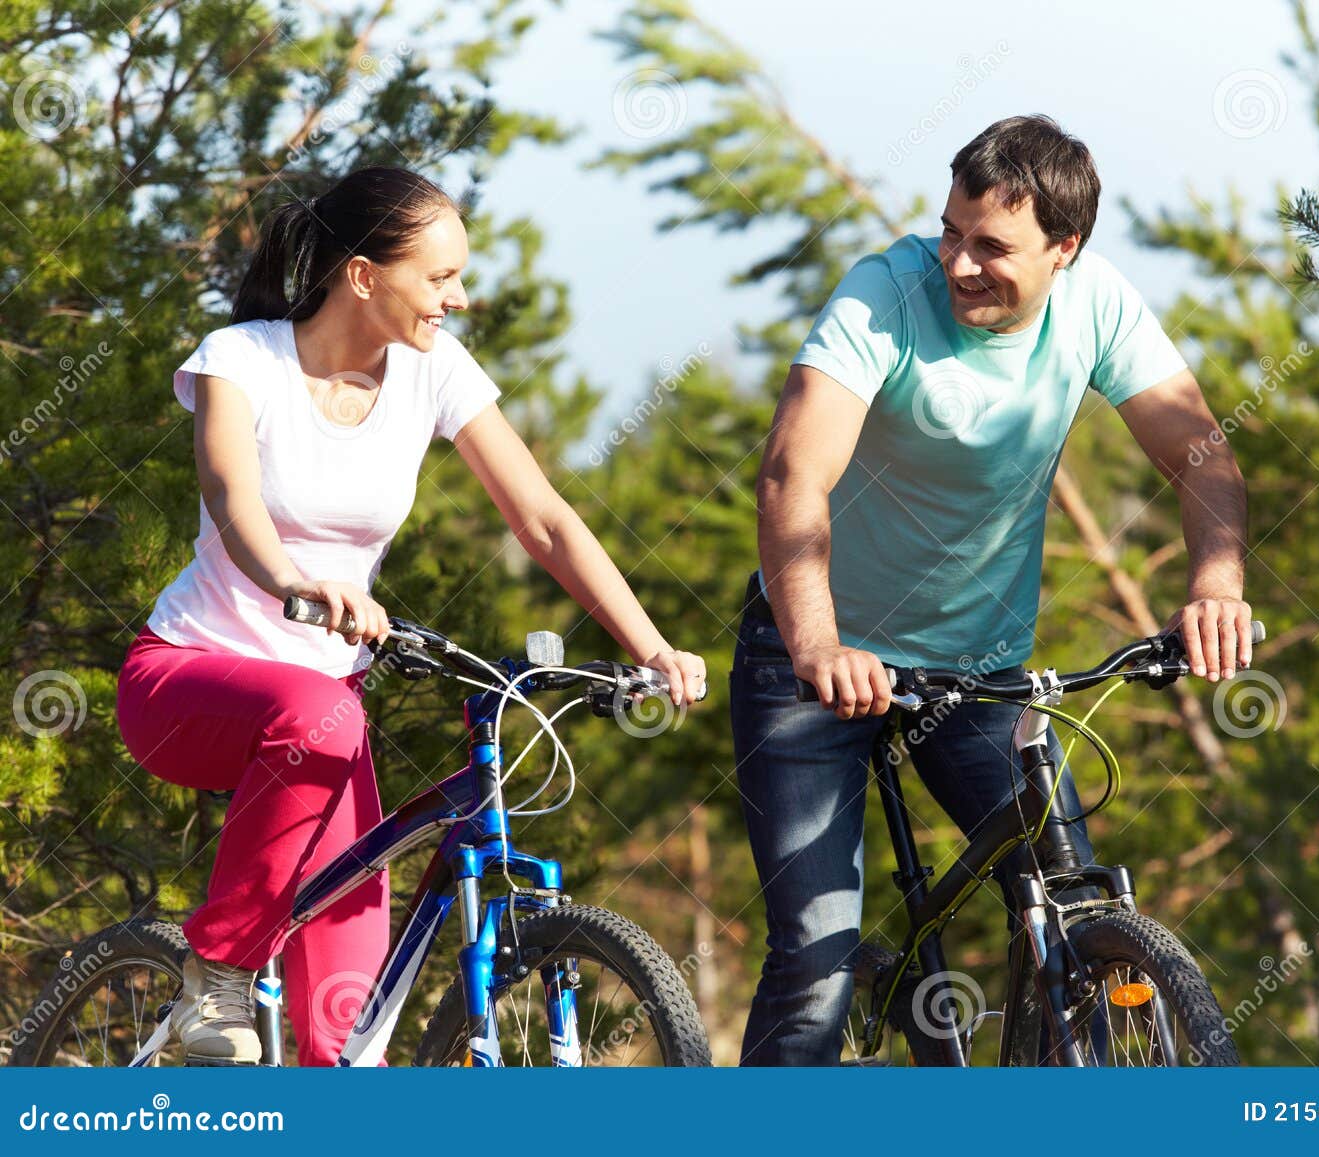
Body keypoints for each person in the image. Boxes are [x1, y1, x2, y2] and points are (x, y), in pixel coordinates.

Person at [115, 166, 707, 1066]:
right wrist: (296, 585)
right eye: (440, 278)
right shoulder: (242, 358)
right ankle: (220, 973)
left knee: (347, 1037)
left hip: (324, 727)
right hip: (185, 680)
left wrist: (651, 645)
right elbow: (233, 498)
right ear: (363, 276)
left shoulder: (435, 373)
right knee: (320, 712)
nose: (459, 299)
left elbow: (543, 517)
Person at [731, 115, 1252, 1064]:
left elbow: (1203, 457)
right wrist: (817, 643)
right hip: (812, 660)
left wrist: (1215, 585)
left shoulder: (1098, 305)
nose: (960, 263)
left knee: (1068, 897)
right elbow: (790, 476)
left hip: (977, 671)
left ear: (1066, 249)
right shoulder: (886, 293)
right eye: (950, 232)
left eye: (992, 246)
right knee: (816, 961)